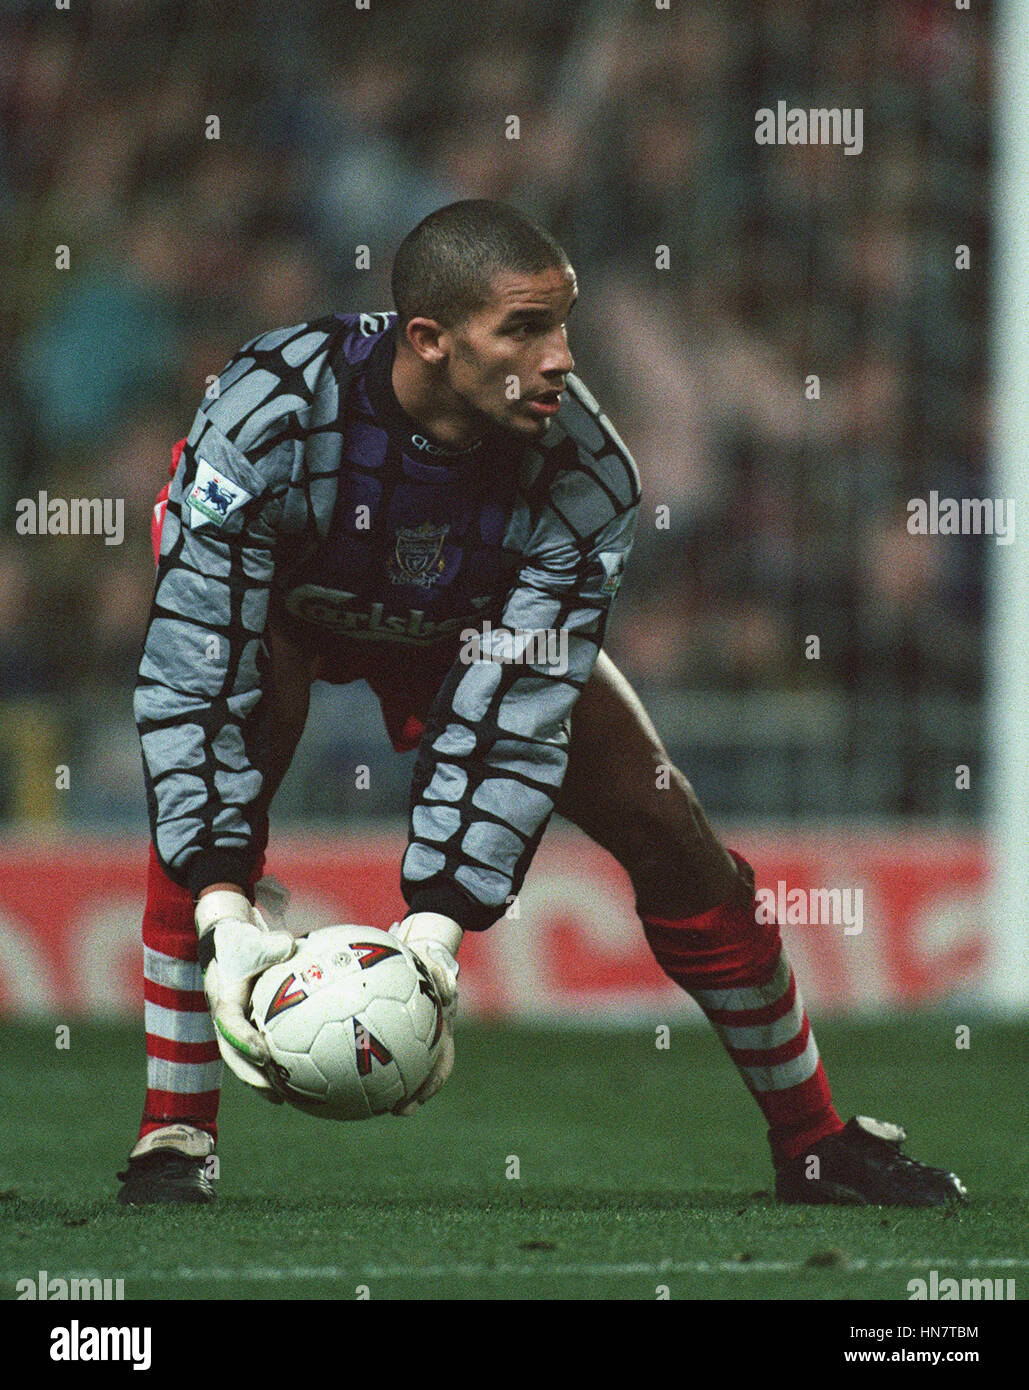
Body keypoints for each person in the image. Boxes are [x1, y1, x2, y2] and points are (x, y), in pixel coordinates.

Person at [118, 200, 965, 1208]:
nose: (561, 357)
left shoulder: (590, 474)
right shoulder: (267, 413)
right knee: (226, 770)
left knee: (667, 823)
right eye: (524, 328)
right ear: (428, 339)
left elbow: (511, 710)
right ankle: (175, 1138)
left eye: (563, 322)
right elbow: (198, 667)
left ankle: (815, 1140)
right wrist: (223, 896)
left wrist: (435, 931)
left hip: (464, 631)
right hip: (288, 616)